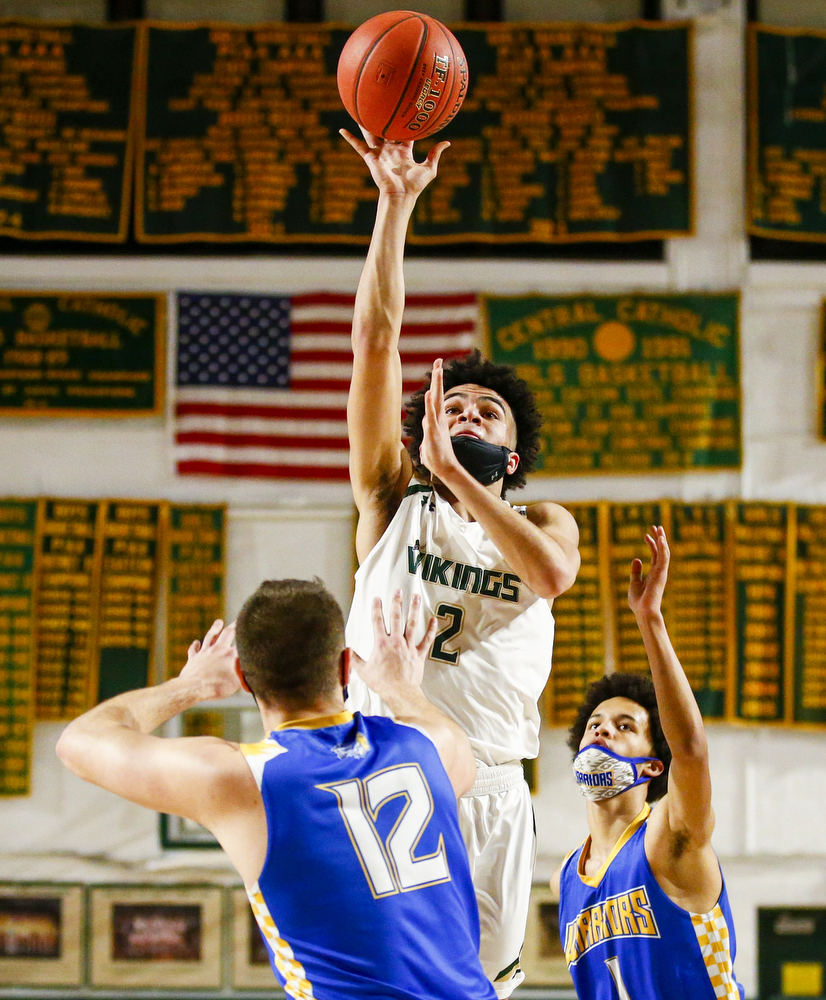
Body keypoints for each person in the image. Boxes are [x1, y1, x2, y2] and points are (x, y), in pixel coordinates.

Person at [340, 125, 581, 998]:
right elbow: (376, 341)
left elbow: (553, 578)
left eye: (489, 412)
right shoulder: (389, 499)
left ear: (512, 459)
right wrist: (394, 206)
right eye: (457, 407)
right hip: (383, 762)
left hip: (495, 785)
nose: (470, 414)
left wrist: (459, 480)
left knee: (477, 990)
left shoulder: (543, 518)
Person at [56, 583, 498, 1000]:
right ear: (346, 666)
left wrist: (190, 685)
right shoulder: (431, 747)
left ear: (244, 680)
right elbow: (452, 745)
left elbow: (78, 743)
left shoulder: (241, 779)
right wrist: (401, 687)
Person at [552, 527, 744, 1000]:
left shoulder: (667, 835)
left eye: (624, 726)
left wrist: (650, 621)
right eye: (596, 723)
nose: (603, 730)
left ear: (654, 766)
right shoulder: (564, 876)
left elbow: (692, 750)